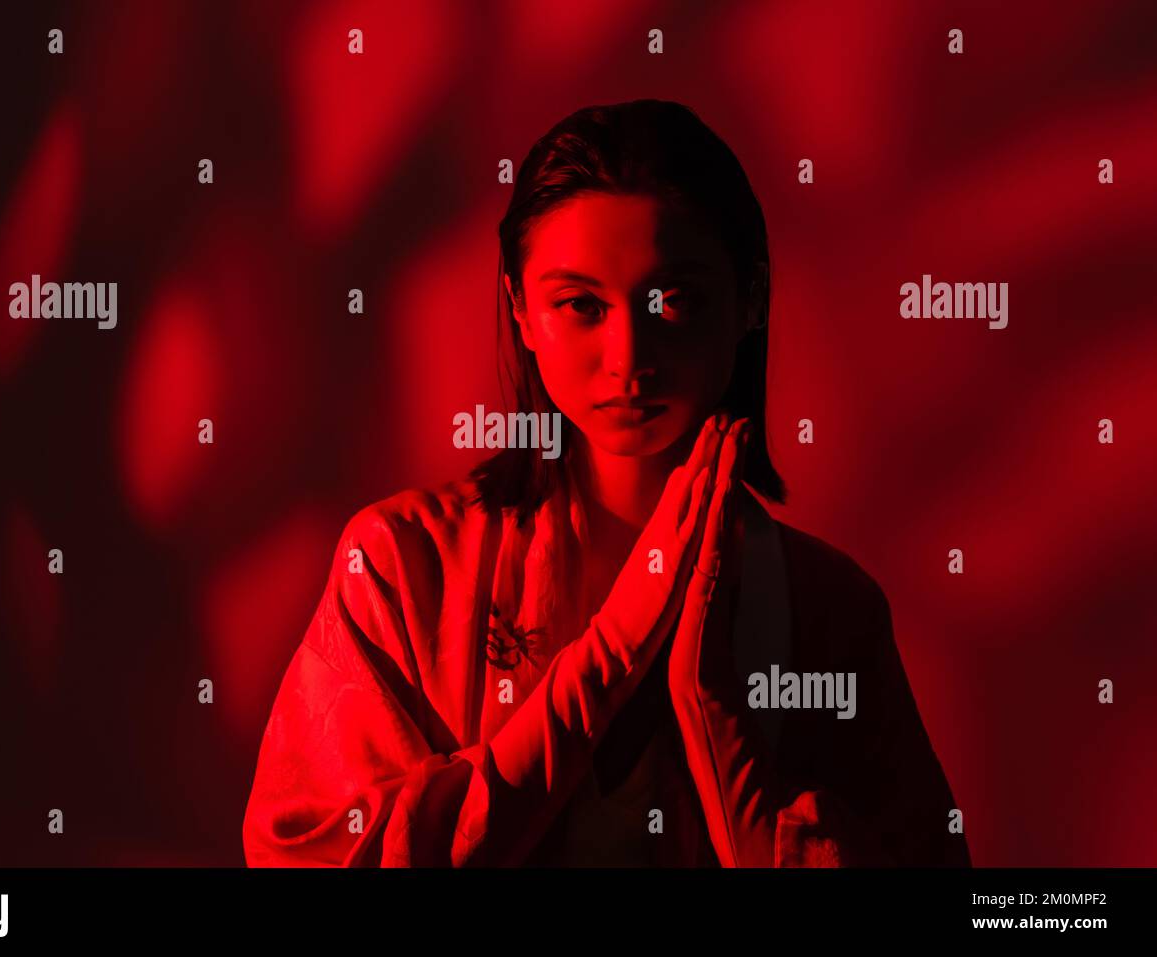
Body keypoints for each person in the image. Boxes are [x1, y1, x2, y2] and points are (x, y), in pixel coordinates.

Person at [243, 100, 971, 867]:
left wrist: (718, 730)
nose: (628, 355)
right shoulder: (399, 566)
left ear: (749, 299)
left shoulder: (829, 606)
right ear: (521, 310)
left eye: (673, 300)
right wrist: (612, 651)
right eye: (581, 306)